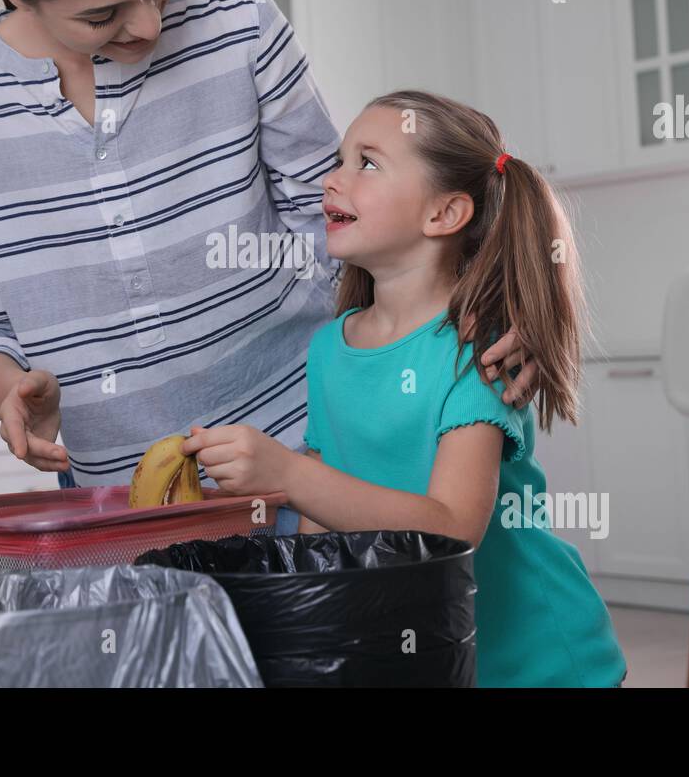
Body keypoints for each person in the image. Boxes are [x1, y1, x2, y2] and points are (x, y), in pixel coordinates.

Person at [0, 0, 539, 529]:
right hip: (121, 501)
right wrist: (6, 390)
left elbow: (340, 224)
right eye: (102, 15)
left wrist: (477, 306)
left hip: (308, 454)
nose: (149, 25)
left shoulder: (237, 22)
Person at [181, 91, 628, 686]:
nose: (332, 179)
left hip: (539, 664)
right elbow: (323, 521)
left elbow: (451, 529)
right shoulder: (329, 348)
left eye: (367, 163)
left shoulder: (477, 351)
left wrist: (287, 475)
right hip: (433, 659)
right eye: (340, 160)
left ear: (444, 214)